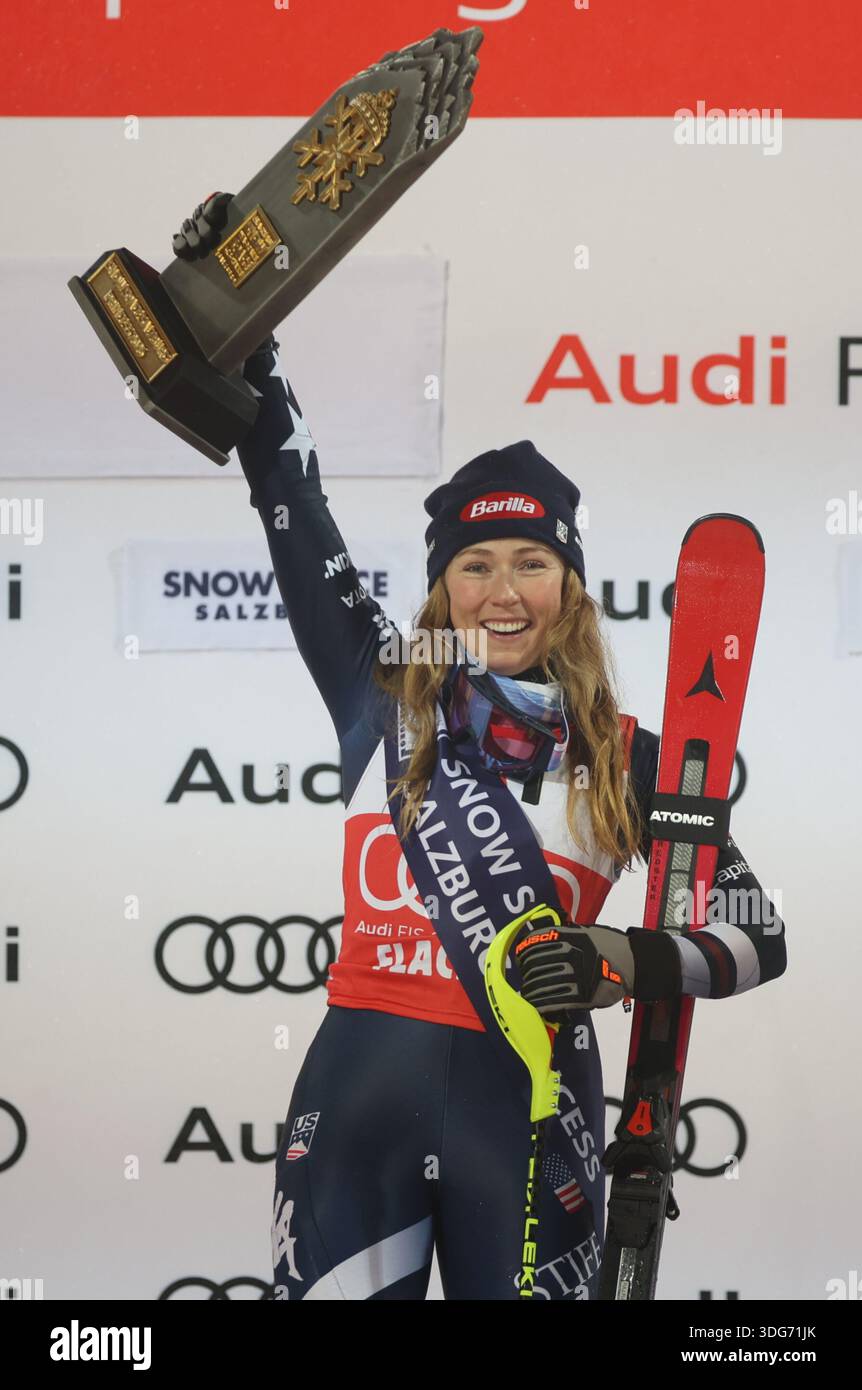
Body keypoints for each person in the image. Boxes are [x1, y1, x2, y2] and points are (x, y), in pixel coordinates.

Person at [173, 200, 788, 1301]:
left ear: (570, 586)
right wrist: (240, 315)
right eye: (474, 564)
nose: (502, 591)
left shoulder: (638, 760)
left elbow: (753, 934)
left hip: (529, 1118)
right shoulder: (382, 696)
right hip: (356, 1103)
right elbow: (287, 492)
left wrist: (615, 958)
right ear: (441, 587)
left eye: (530, 562)